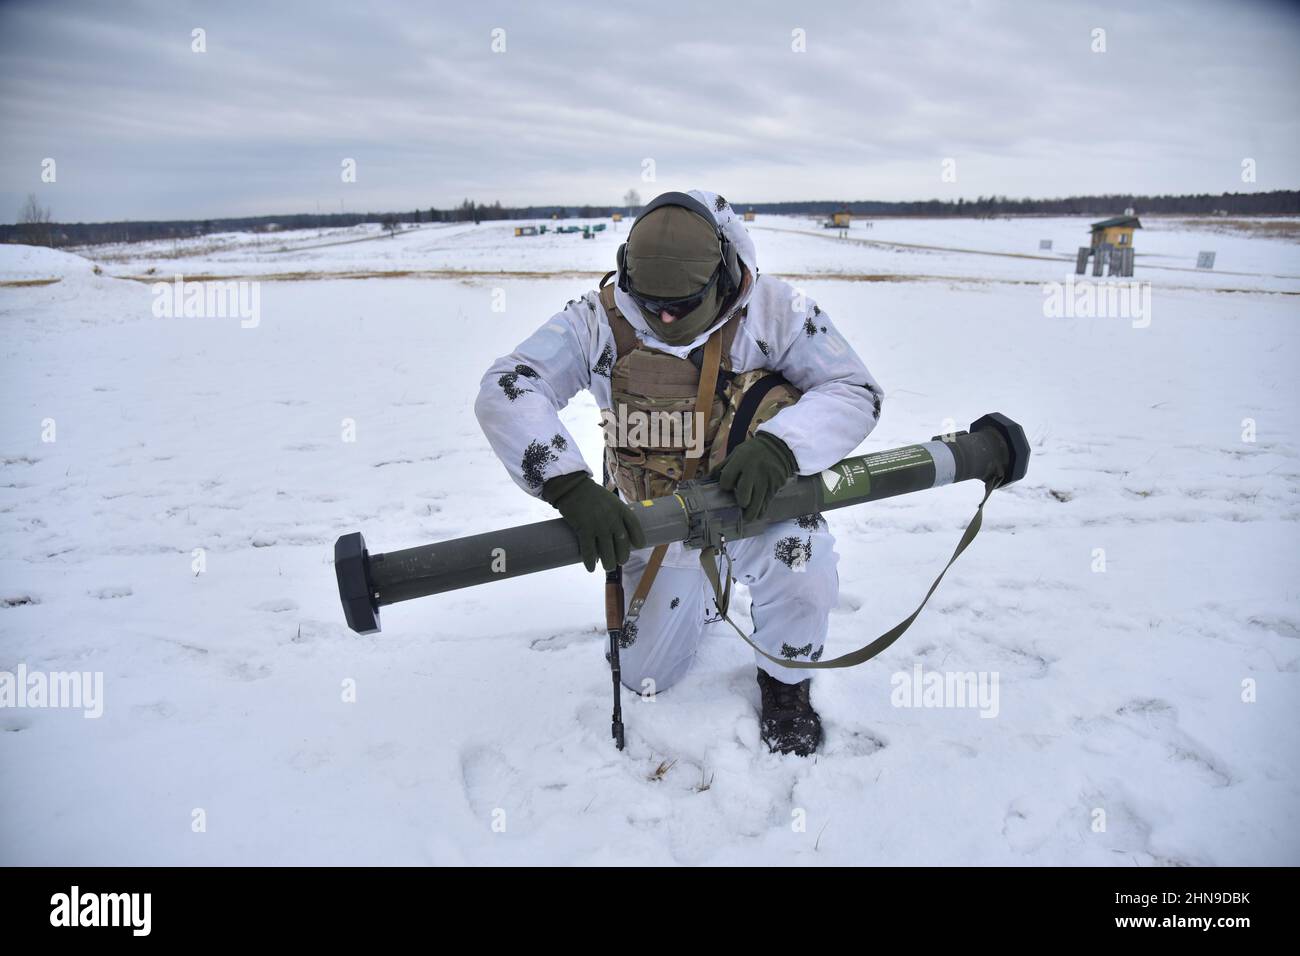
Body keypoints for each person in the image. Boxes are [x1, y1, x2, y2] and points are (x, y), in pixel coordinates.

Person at [474, 189, 883, 755]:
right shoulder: (598, 319)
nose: (664, 317)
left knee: (802, 565)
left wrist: (782, 448)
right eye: (652, 302)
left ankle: (785, 683)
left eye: (682, 304)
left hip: (755, 510)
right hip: (654, 522)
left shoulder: (774, 311)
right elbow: (509, 385)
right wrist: (567, 484)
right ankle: (703, 592)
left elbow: (854, 389)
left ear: (721, 276)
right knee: (645, 679)